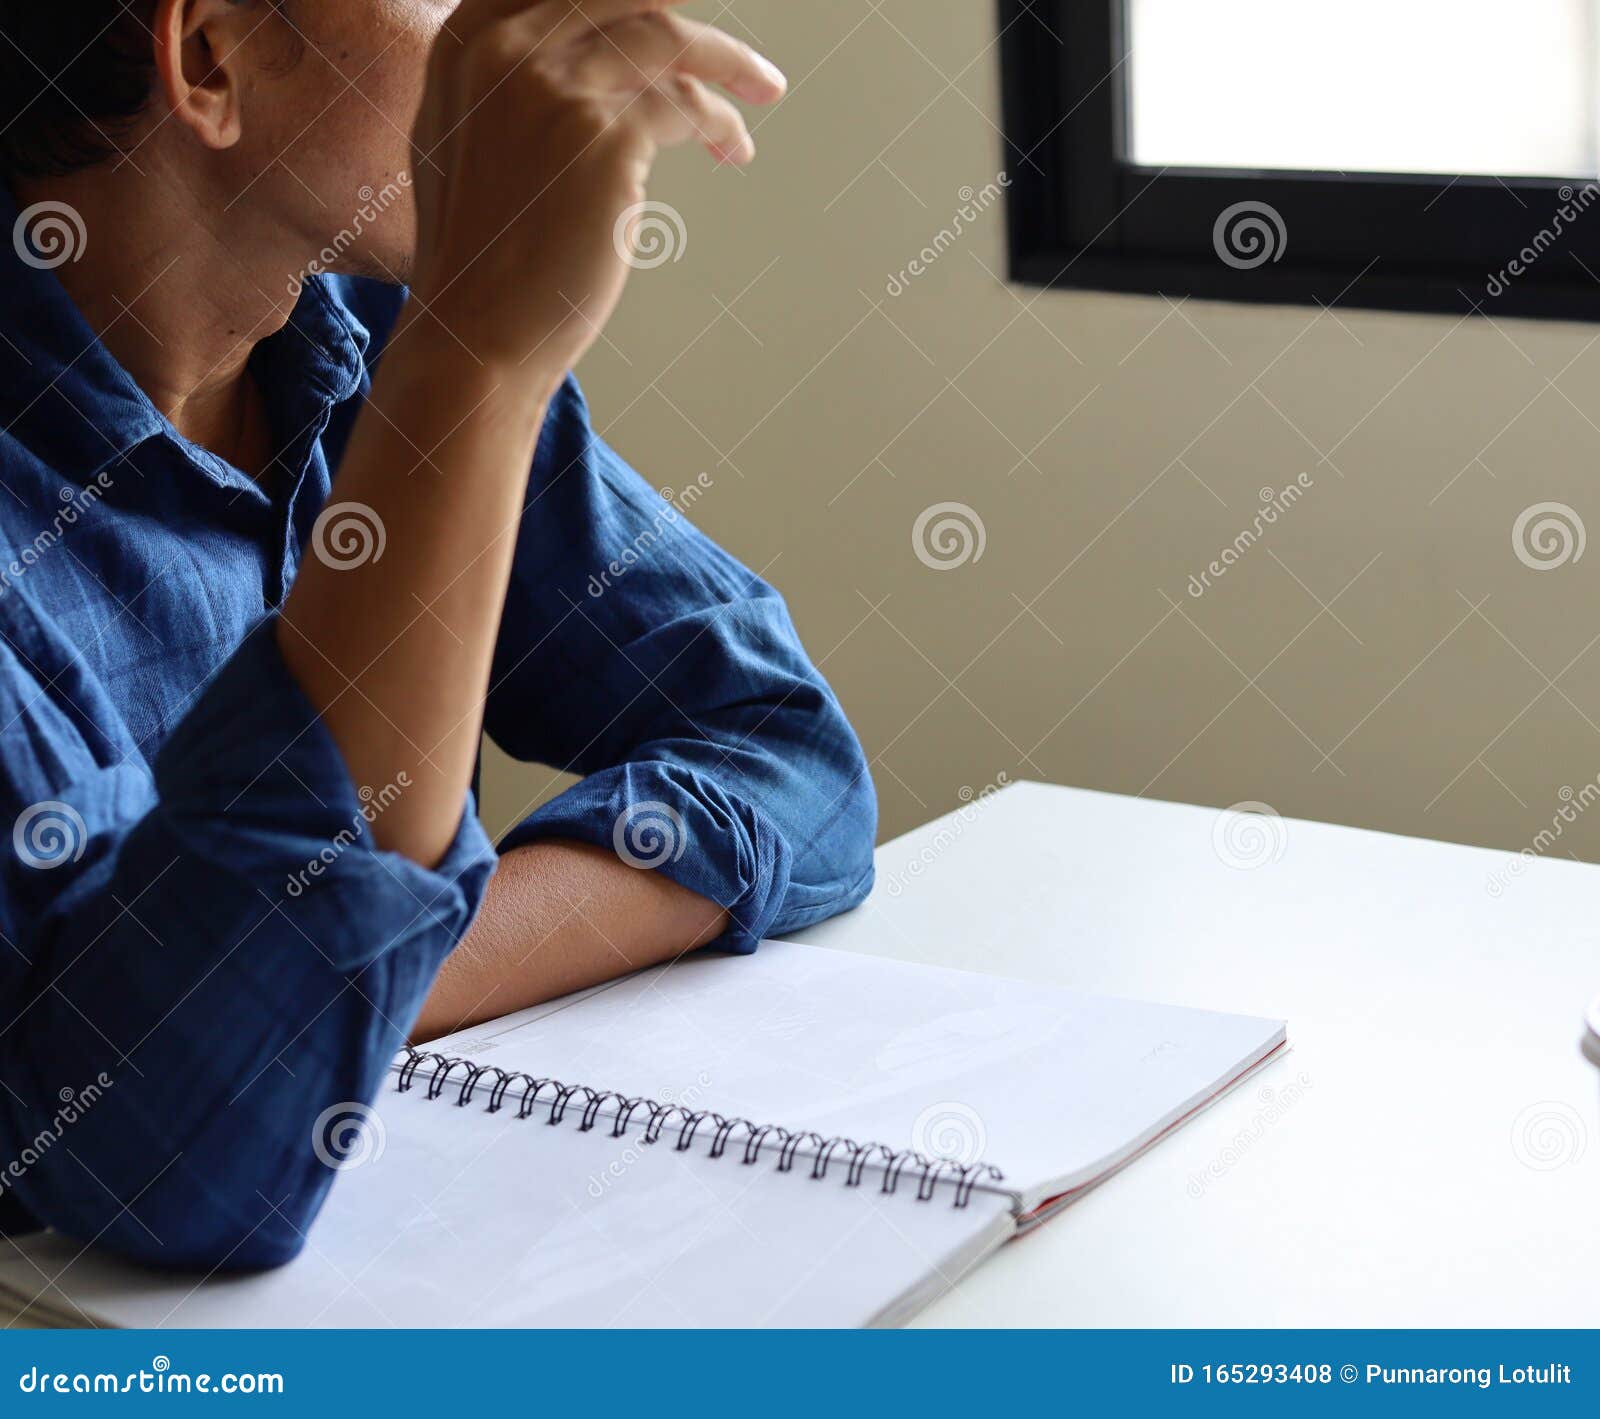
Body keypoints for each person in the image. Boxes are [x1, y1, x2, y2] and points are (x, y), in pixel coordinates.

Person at [0, 0, 875, 1270]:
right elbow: (178, 1172)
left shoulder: (365, 336)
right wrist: (480, 356)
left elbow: (785, 750)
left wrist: (367, 988)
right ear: (207, 57)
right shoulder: (446, 352)